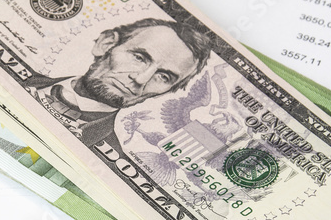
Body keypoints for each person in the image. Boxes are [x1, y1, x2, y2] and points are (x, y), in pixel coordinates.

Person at [26, 17, 213, 146]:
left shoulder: (106, 162)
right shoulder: (25, 79)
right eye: (139, 58)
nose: (140, 79)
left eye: (164, 77)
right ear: (106, 44)